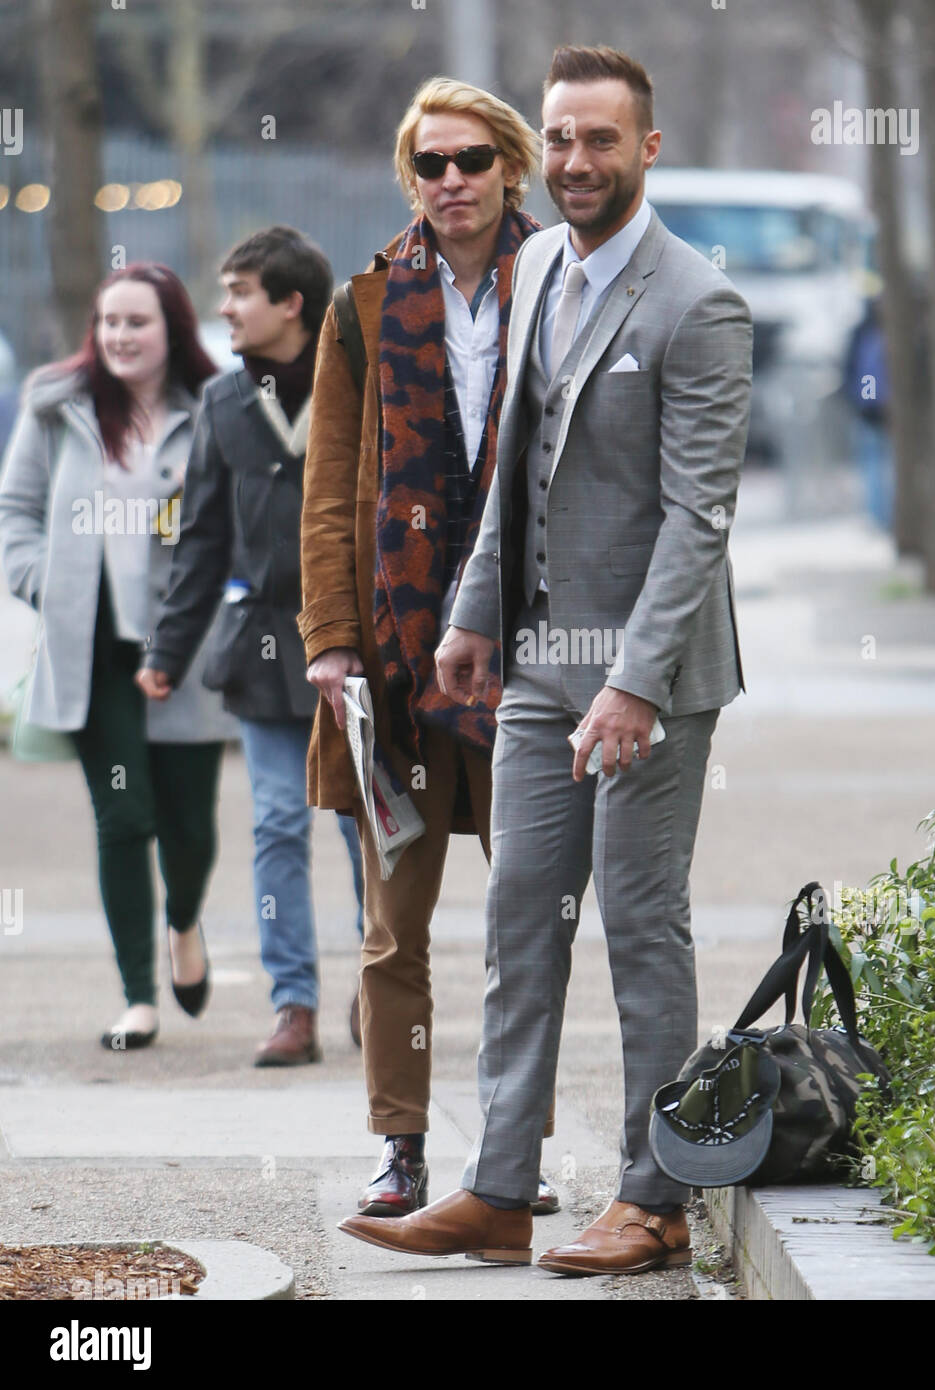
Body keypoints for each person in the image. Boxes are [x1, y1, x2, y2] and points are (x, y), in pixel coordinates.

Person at [338, 44, 752, 1277]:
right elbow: (512, 468)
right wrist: (471, 620)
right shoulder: (534, 272)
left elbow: (698, 519)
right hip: (533, 668)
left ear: (648, 149)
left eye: (600, 141)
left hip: (651, 679)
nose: (575, 162)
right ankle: (500, 1185)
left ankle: (656, 1193)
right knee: (521, 922)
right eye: (561, 139)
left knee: (639, 924)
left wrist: (632, 681)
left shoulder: (697, 302)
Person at [300, 77, 560, 1219]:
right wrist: (332, 642)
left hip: (527, 659)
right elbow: (326, 494)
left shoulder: (560, 282)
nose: (450, 181)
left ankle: (514, 1158)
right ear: (412, 178)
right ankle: (399, 1147)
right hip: (398, 667)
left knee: (529, 924)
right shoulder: (362, 305)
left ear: (511, 165)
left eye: (470, 161)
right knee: (393, 931)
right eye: (430, 164)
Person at [136, 227, 364, 1067]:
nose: (223, 309)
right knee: (275, 824)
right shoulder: (224, 404)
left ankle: (376, 987)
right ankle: (293, 1005)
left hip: (357, 652)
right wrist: (167, 651)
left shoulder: (357, 382)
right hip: (265, 649)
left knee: (361, 830)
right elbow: (199, 541)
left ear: (291, 303)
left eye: (239, 293)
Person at [0, 263, 237, 1050]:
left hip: (183, 647)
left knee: (189, 827)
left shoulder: (210, 410)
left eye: (138, 322)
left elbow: (237, 521)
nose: (120, 337)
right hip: (91, 646)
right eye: (109, 322)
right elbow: (16, 514)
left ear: (171, 330)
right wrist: (45, 582)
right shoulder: (55, 407)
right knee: (124, 816)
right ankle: (138, 995)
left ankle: (184, 923)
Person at [841, 293, 892, 529]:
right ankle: (888, 514)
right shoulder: (891, 335)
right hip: (888, 410)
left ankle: (877, 515)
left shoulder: (860, 334)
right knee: (887, 462)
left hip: (866, 410)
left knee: (872, 463)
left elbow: (849, 371)